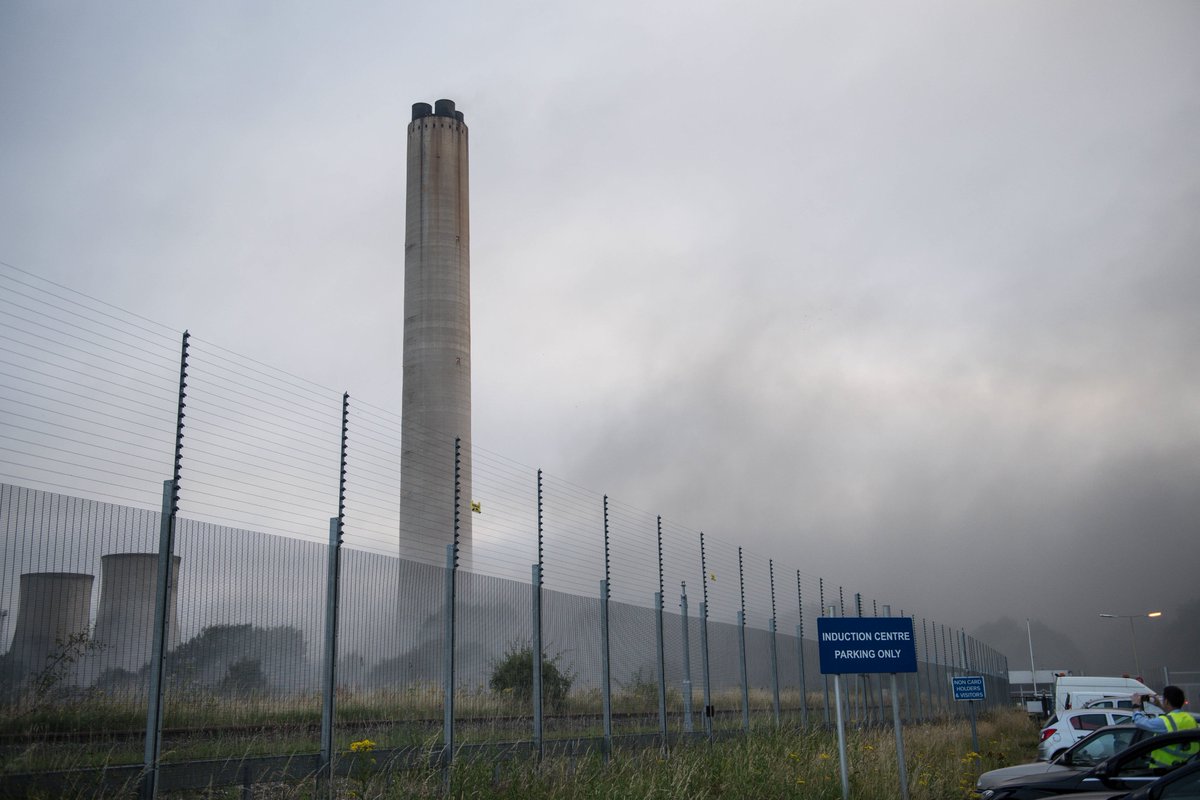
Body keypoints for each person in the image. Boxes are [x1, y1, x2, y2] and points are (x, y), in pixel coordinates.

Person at [1132, 686, 1198, 768]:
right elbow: (1173, 716)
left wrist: (1135, 706)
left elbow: (1139, 722)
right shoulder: (1190, 719)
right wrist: (1159, 705)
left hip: (1164, 772)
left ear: (1166, 701)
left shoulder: (1165, 722)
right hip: (1185, 771)